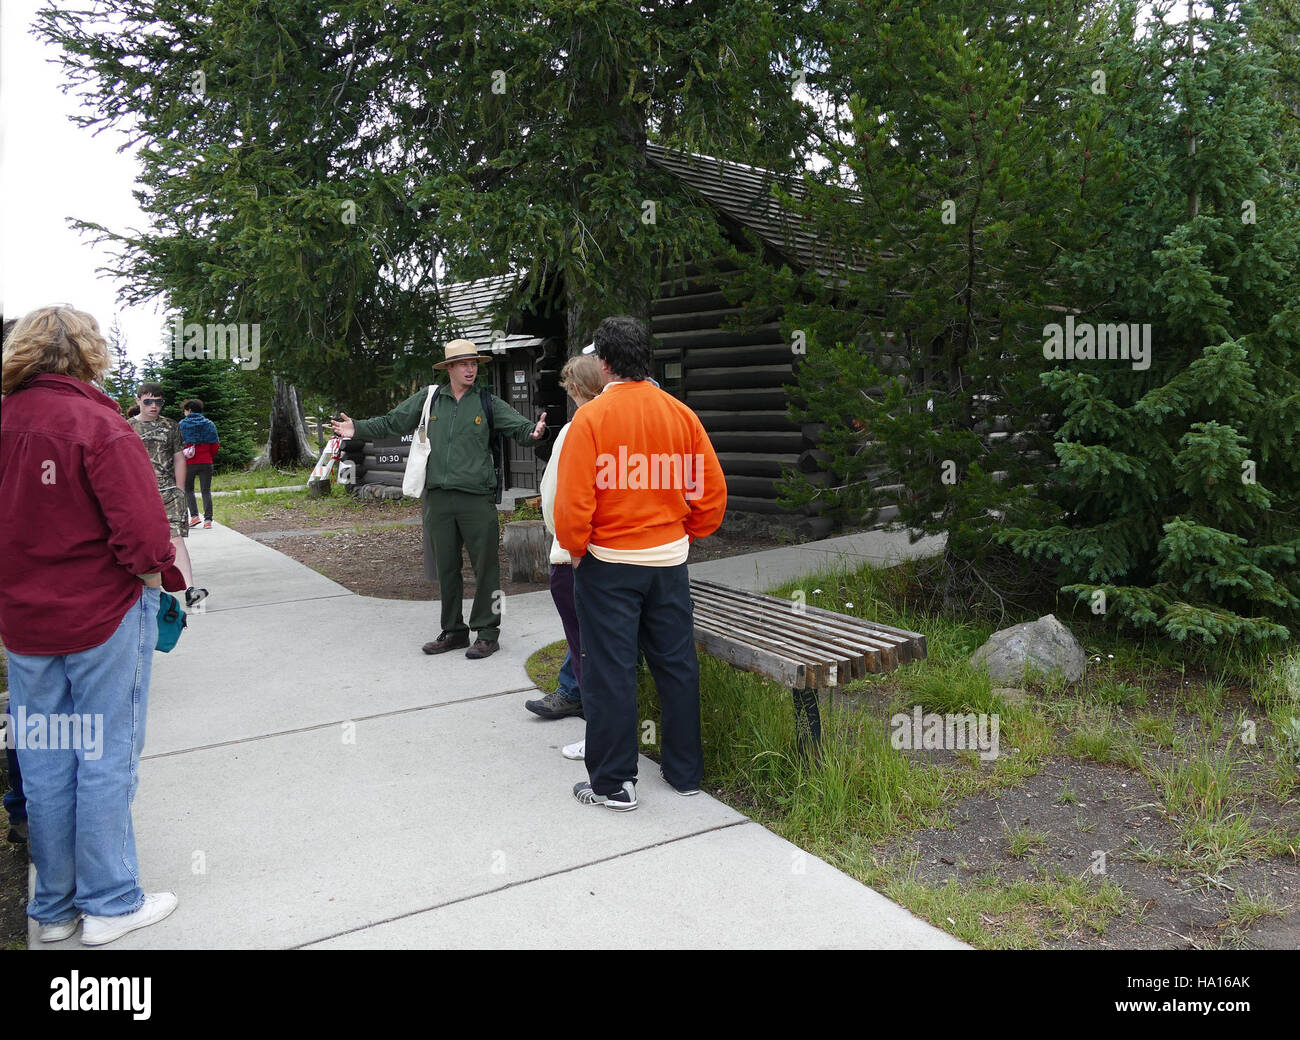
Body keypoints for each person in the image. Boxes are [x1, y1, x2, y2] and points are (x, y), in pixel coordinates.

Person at [0, 304, 182, 944]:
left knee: (46, 757)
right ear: (87, 352)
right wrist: (158, 575)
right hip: (100, 611)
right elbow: (142, 530)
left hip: (24, 621)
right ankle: (110, 901)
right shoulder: (98, 424)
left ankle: (53, 910)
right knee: (103, 753)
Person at [555, 316, 727, 810]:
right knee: (676, 665)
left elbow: (573, 505)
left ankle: (613, 784)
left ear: (604, 363)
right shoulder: (681, 415)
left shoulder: (589, 420)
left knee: (610, 671)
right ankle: (684, 773)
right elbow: (710, 495)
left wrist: (577, 547)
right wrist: (685, 533)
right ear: (643, 358)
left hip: (608, 564)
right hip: (669, 563)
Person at [331, 339, 548, 659]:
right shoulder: (430, 399)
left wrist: (534, 432)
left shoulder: (487, 402)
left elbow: (520, 429)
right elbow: (393, 421)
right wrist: (357, 428)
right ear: (449, 368)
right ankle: (454, 630)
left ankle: (488, 632)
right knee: (446, 568)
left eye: (474, 364)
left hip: (477, 499)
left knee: (487, 568)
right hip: (439, 499)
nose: (470, 369)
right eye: (463, 364)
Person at [526, 353, 606, 722]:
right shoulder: (619, 422)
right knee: (594, 640)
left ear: (575, 388)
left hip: (575, 553)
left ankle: (594, 721)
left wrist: (563, 540)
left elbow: (557, 493)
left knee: (584, 643)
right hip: (613, 552)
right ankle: (576, 692)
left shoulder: (579, 428)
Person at [129, 384, 208, 607]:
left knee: (175, 539)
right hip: (140, 495)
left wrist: (180, 490)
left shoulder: (170, 426)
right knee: (144, 543)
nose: (153, 406)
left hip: (168, 493)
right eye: (148, 401)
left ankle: (190, 590)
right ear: (138, 401)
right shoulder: (127, 428)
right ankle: (142, 595)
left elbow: (179, 458)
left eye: (158, 402)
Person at [180, 398, 220, 529]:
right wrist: (209, 455)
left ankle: (195, 516)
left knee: (188, 489)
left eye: (185, 410)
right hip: (206, 461)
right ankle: (208, 520)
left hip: (189, 462)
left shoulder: (182, 425)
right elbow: (215, 444)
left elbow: (178, 445)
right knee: (206, 490)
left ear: (189, 410)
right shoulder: (209, 424)